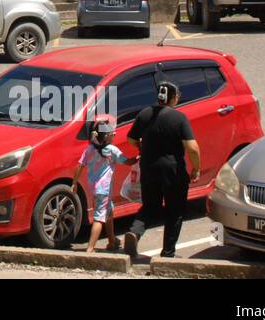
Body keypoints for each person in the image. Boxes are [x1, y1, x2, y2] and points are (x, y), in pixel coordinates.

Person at [122, 81, 201, 260]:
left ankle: (134, 233)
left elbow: (131, 139)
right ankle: (167, 254)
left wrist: (142, 146)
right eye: (177, 95)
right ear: (173, 97)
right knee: (175, 211)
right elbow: (192, 148)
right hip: (173, 172)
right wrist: (196, 168)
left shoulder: (145, 114)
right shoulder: (179, 118)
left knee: (150, 206)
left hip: (148, 168)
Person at [73, 116, 136, 253]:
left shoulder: (89, 149)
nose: (114, 134)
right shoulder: (112, 150)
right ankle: (90, 248)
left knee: (109, 211)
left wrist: (74, 183)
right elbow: (127, 162)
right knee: (99, 218)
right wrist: (138, 157)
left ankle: (112, 241)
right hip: (104, 190)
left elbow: (79, 166)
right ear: (107, 136)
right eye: (112, 133)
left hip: (94, 189)